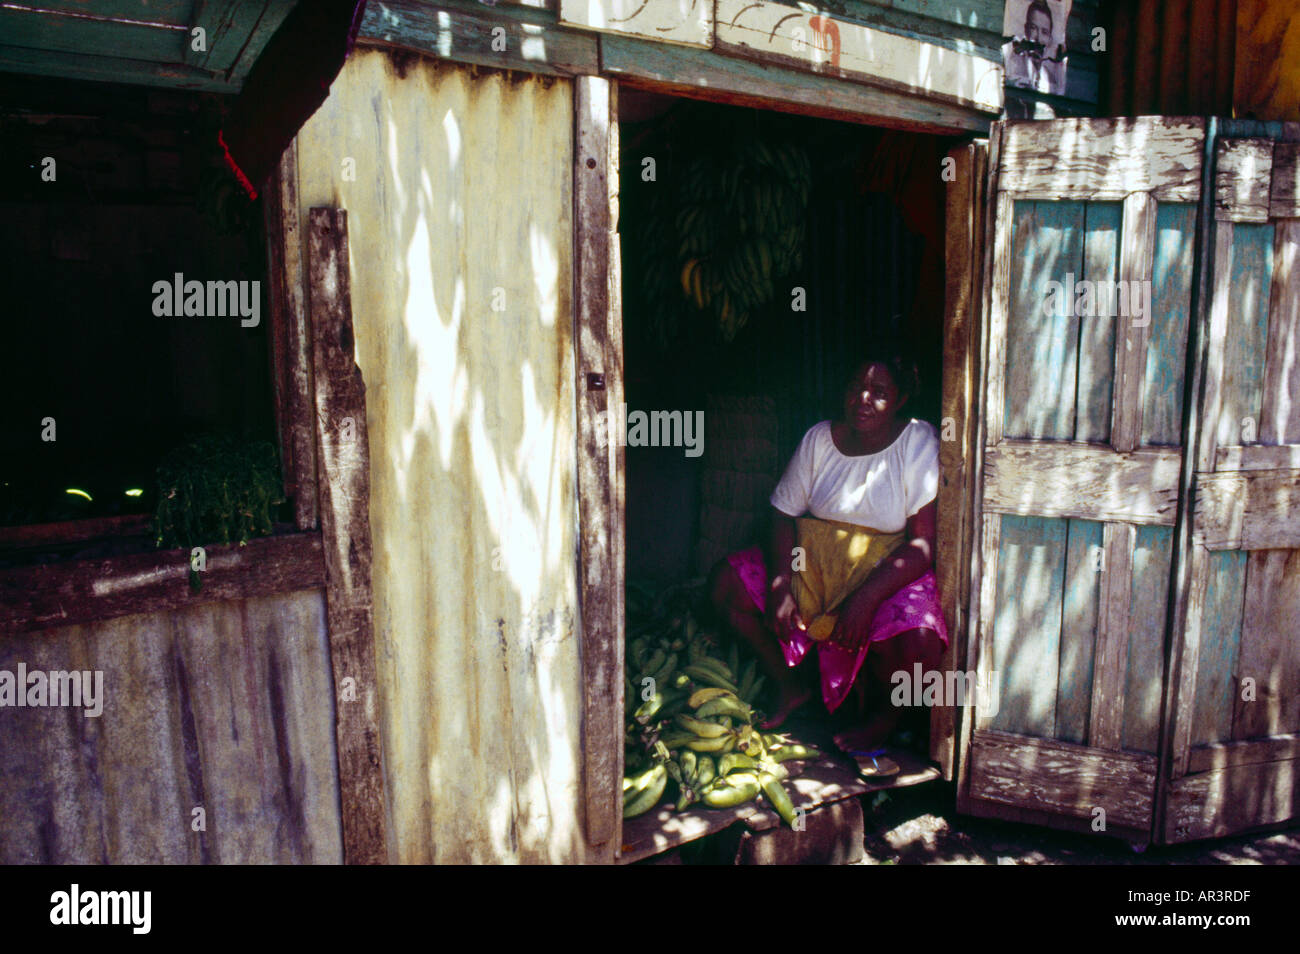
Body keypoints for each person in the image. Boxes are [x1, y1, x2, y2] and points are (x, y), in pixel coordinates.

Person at [707, 351, 948, 766]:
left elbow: (922, 544)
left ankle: (886, 720)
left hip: (881, 569)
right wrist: (781, 583)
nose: (862, 399)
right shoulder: (820, 439)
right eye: (856, 387)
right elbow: (783, 514)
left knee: (921, 639)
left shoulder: (916, 441)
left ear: (901, 400)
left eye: (879, 392)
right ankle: (790, 685)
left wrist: (867, 596)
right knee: (727, 582)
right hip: (814, 566)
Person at [1002, 0, 1066, 95]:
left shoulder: (1055, 69)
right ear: (1026, 29)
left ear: (1050, 37)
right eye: (1033, 28)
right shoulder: (1014, 59)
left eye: (1044, 32)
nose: (1038, 38)